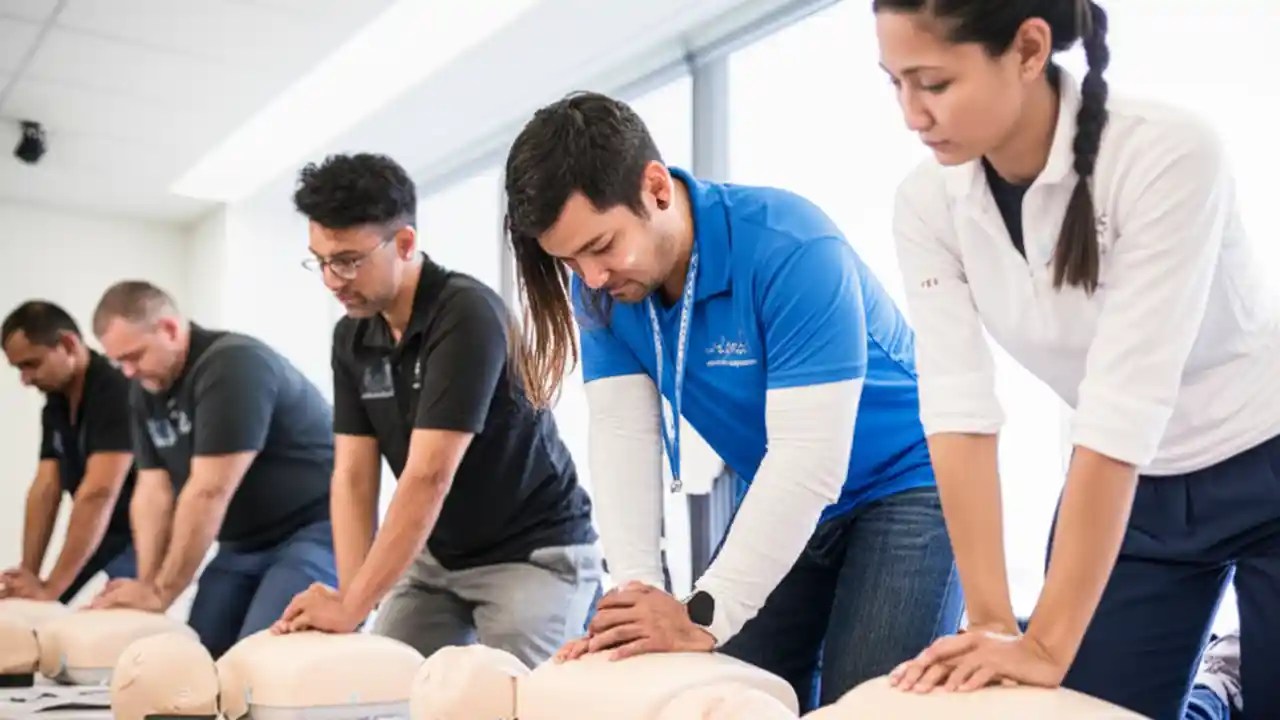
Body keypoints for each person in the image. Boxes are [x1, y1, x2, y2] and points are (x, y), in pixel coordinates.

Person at [874, 1, 1279, 717]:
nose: (911, 114)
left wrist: (1044, 645)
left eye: (933, 84)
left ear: (1030, 50)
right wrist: (994, 624)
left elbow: (1124, 403)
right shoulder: (927, 203)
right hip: (1140, 501)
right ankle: (1215, 692)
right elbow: (959, 409)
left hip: (1264, 459)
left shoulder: (1170, 152)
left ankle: (1237, 680)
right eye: (894, 84)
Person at [503, 91, 963, 711]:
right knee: (716, 699)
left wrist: (700, 616)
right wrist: (636, 599)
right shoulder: (606, 292)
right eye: (570, 261)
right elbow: (621, 434)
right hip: (781, 487)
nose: (590, 278)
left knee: (866, 706)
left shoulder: (791, 246)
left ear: (656, 189)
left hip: (910, 483)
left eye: (602, 245)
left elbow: (810, 459)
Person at [274, 153, 601, 669]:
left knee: (508, 696)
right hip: (436, 560)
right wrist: (351, 605)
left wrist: (351, 605)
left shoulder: (466, 313)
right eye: (321, 260)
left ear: (404, 243)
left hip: (532, 553)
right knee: (377, 680)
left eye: (348, 260)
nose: (332, 280)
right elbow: (354, 479)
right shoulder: (353, 335)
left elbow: (427, 475)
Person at [87, 281, 339, 659]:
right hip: (241, 545)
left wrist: (162, 593)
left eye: (135, 356)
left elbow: (208, 491)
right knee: (199, 658)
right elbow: (152, 492)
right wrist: (147, 582)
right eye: (118, 361)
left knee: (261, 658)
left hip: (315, 530)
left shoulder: (233, 364)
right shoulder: (145, 390)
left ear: (170, 329)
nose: (127, 371)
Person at [1, 301, 137, 604]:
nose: (25, 379)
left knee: (110, 622)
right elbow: (45, 488)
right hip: (102, 533)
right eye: (18, 369)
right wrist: (29, 575)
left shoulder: (116, 391)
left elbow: (99, 492)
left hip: (140, 536)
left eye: (31, 364)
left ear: (68, 344)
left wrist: (51, 589)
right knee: (41, 606)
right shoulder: (56, 403)